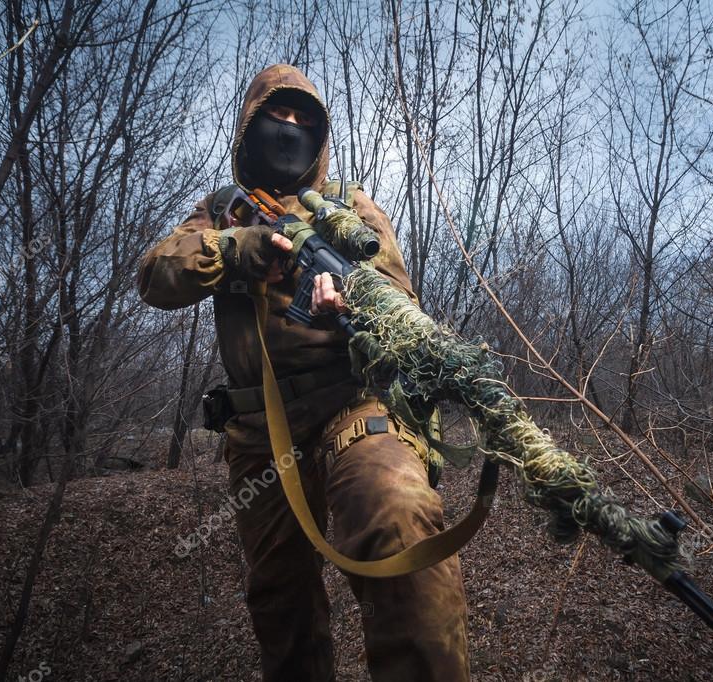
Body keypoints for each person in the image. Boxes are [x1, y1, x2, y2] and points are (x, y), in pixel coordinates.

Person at [137, 64, 470, 681]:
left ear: (319, 137)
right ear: (249, 126)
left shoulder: (348, 207)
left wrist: (352, 309)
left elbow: (402, 303)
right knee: (280, 603)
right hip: (261, 431)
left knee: (396, 515)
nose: (289, 129)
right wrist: (236, 251)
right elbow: (154, 274)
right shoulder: (218, 212)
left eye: (303, 121)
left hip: (352, 404)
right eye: (276, 117)